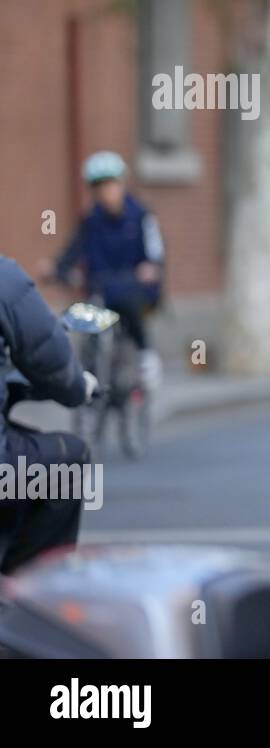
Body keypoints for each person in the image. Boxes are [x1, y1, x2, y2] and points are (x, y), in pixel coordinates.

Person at [0, 257, 96, 573]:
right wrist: (80, 386)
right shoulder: (5, 278)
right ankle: (24, 599)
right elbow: (56, 367)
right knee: (67, 465)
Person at [48, 152, 165, 392]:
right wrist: (57, 269)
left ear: (121, 184)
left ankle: (145, 356)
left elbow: (156, 251)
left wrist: (151, 267)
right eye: (99, 186)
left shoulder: (140, 216)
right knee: (80, 319)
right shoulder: (91, 221)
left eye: (110, 184)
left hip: (133, 288)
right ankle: (87, 373)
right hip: (101, 289)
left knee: (129, 305)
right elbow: (73, 249)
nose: (106, 192)